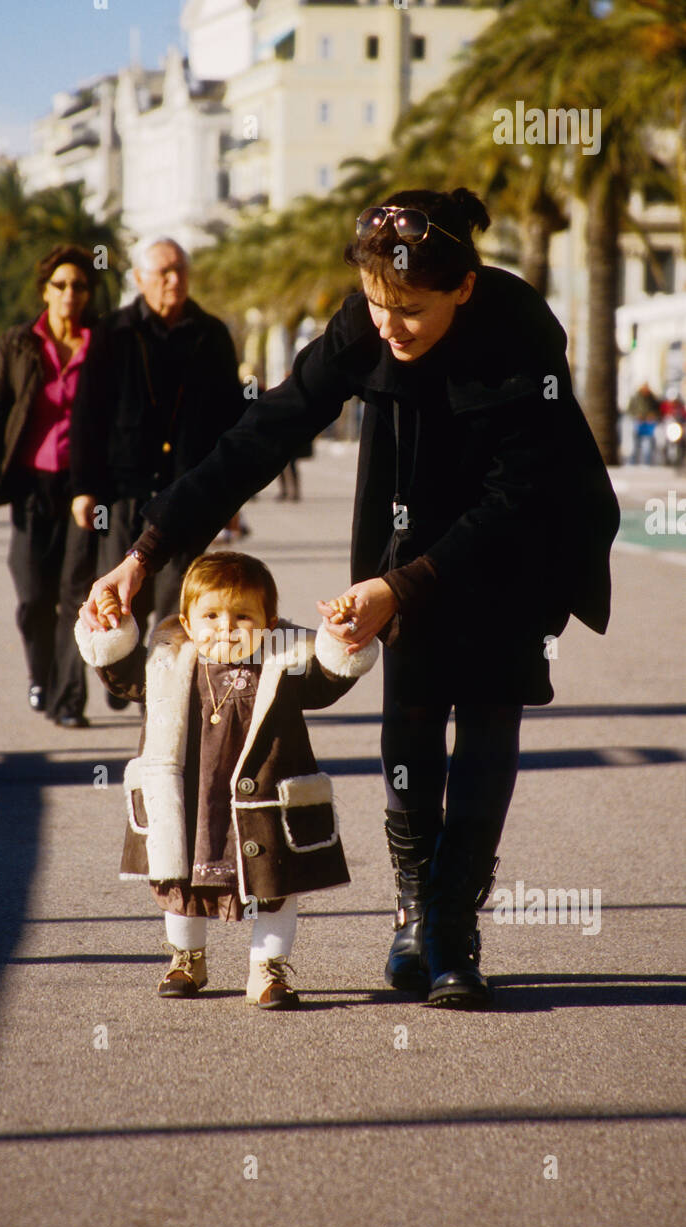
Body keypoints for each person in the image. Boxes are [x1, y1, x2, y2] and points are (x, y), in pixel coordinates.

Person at [80, 186, 621, 1012]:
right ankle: (412, 908)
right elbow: (264, 433)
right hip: (402, 536)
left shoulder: (519, 334)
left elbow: (521, 494)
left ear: (463, 287)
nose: (388, 324)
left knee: (486, 719)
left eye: (409, 308)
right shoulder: (360, 325)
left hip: (515, 547)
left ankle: (451, 927)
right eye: (376, 304)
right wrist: (146, 551)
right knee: (407, 719)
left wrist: (399, 585)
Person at [75, 550, 377, 1007]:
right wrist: (112, 630)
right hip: (191, 798)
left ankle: (267, 969)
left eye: (243, 616)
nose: (227, 627)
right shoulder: (168, 661)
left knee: (275, 882)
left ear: (270, 622)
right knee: (181, 884)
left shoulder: (285, 662)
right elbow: (122, 674)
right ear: (188, 621)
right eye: (211, 615)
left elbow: (326, 678)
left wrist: (341, 639)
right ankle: (185, 958)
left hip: (265, 802)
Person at [69, 236, 244, 709]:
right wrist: (85, 488)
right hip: (123, 489)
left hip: (189, 491)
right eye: (163, 272)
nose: (174, 280)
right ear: (141, 280)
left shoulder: (211, 334)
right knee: (126, 597)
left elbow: (233, 419)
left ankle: (159, 695)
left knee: (173, 603)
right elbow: (86, 413)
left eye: (180, 271)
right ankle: (121, 672)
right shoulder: (114, 332)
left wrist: (230, 499)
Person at [0, 245, 99, 726]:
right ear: (45, 291)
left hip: (86, 489)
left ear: (89, 293)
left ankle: (68, 700)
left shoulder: (101, 344)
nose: (69, 294)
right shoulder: (18, 344)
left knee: (77, 593)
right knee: (32, 595)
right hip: (30, 487)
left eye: (79, 286)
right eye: (60, 285)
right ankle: (40, 674)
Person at [628, 382, 661, 465]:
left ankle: (648, 462)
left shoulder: (652, 398)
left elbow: (657, 410)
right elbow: (630, 410)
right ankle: (633, 462)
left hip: (649, 424)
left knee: (649, 444)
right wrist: (637, 416)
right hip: (638, 423)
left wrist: (652, 415)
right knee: (636, 444)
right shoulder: (635, 397)